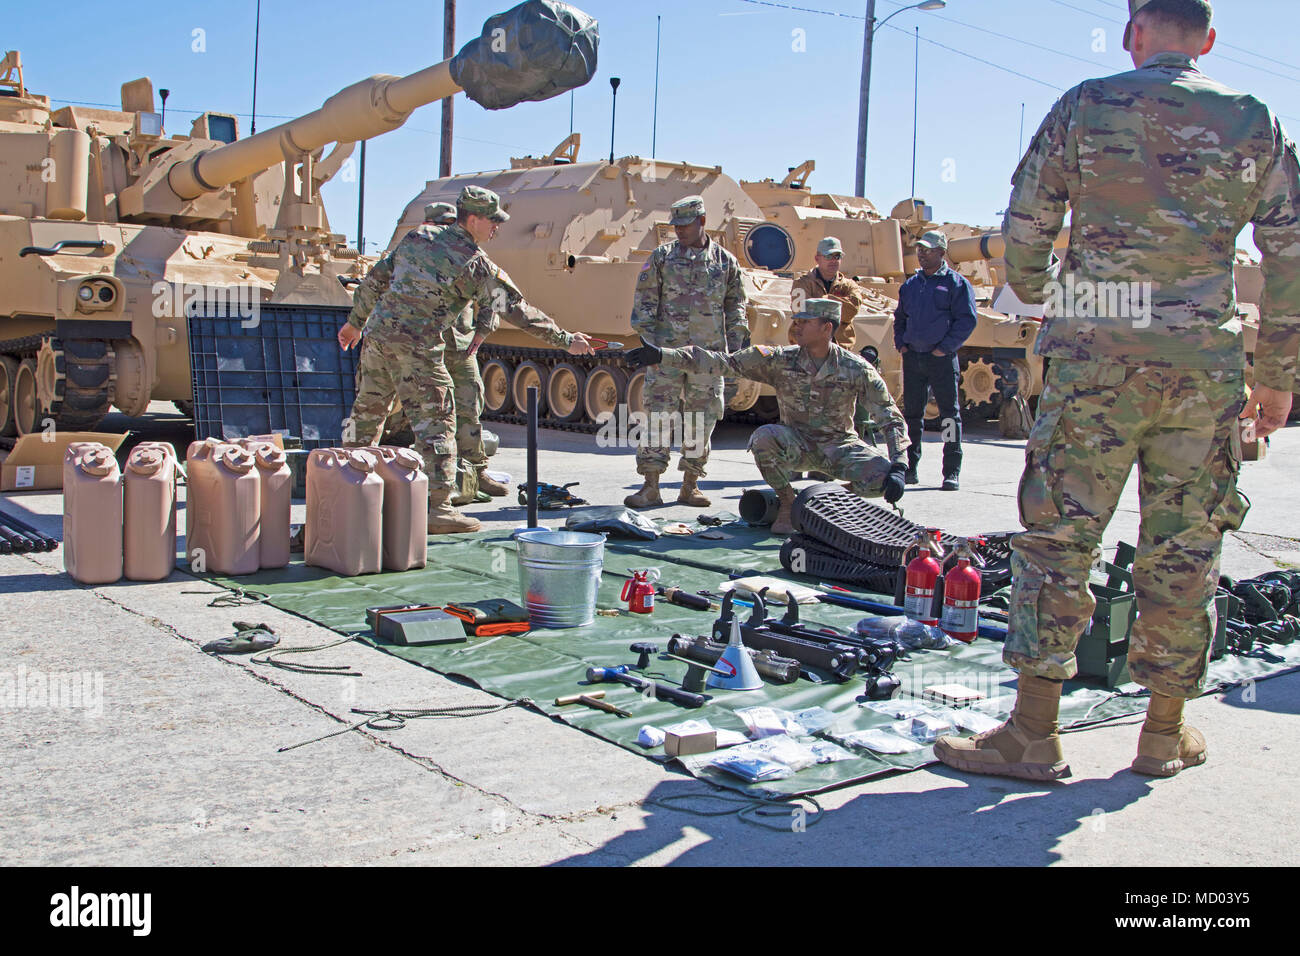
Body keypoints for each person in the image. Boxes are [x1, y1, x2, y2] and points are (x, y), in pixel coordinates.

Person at [934, 0, 1300, 782]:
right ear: (1206, 40)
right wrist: (1276, 375)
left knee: (1059, 540)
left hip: (1094, 363)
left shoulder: (1086, 105)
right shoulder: (1252, 119)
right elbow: (1290, 249)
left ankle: (1034, 732)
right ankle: (1162, 737)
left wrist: (1033, 293)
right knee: (1185, 546)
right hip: (1203, 371)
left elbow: (1028, 221)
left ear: (1134, 32)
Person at [338, 185, 593, 534]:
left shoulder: (419, 236)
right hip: (418, 350)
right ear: (472, 219)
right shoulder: (475, 264)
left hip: (378, 340)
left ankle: (346, 491)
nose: (497, 227)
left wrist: (355, 324)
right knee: (438, 425)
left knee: (367, 414)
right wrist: (566, 341)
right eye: (493, 220)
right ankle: (438, 509)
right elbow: (517, 311)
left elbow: (376, 278)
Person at [625, 298, 909, 535]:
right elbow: (723, 362)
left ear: (826, 328)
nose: (796, 326)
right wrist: (663, 355)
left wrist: (899, 463)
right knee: (763, 438)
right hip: (796, 443)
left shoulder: (855, 367)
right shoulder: (779, 359)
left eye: (805, 322)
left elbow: (889, 415)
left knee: (881, 477)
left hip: (839, 445)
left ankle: (828, 502)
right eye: (796, 320)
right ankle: (786, 502)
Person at [625, 195, 748, 509]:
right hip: (665, 356)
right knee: (656, 419)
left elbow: (736, 314)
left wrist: (735, 359)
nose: (679, 230)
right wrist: (652, 348)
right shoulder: (661, 258)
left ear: (702, 221)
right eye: (675, 225)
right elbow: (644, 308)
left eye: (685, 224)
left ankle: (690, 486)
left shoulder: (726, 263)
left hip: (708, 360)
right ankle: (650, 486)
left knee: (701, 421)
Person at [892, 230, 977, 491]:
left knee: (949, 417)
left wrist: (945, 348)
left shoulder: (956, 284)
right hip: (914, 358)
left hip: (941, 359)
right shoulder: (910, 286)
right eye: (919, 250)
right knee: (912, 416)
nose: (922, 254)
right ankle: (911, 468)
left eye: (927, 250)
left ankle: (951, 471)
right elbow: (900, 318)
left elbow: (967, 320)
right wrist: (902, 345)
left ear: (942, 252)